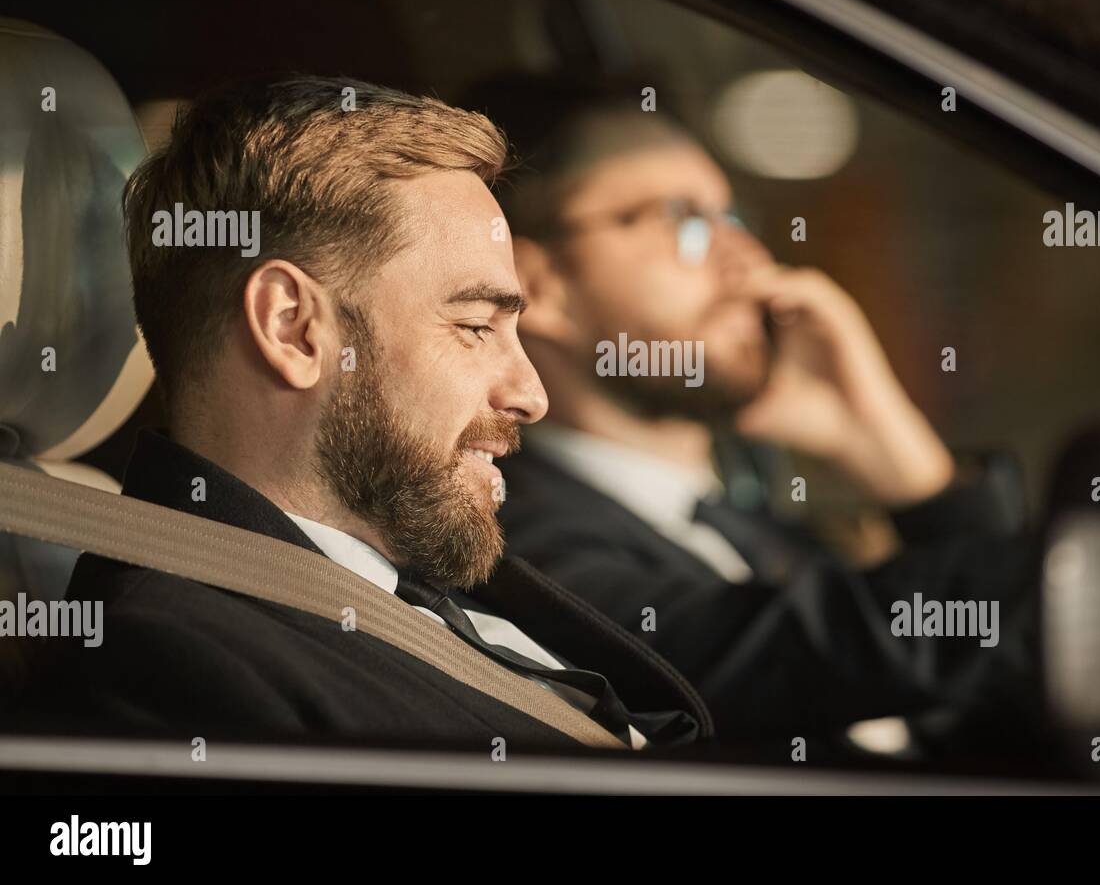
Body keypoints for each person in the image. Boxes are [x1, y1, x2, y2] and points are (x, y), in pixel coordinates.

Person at [14, 75, 707, 750]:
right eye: (474, 327)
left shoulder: (413, 574)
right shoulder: (178, 673)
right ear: (292, 329)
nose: (531, 393)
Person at [463, 73, 1041, 747]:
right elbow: (812, 652)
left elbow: (1002, 697)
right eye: (683, 219)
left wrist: (897, 461)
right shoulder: (508, 545)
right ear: (540, 286)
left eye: (733, 217)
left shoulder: (755, 528)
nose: (747, 257)